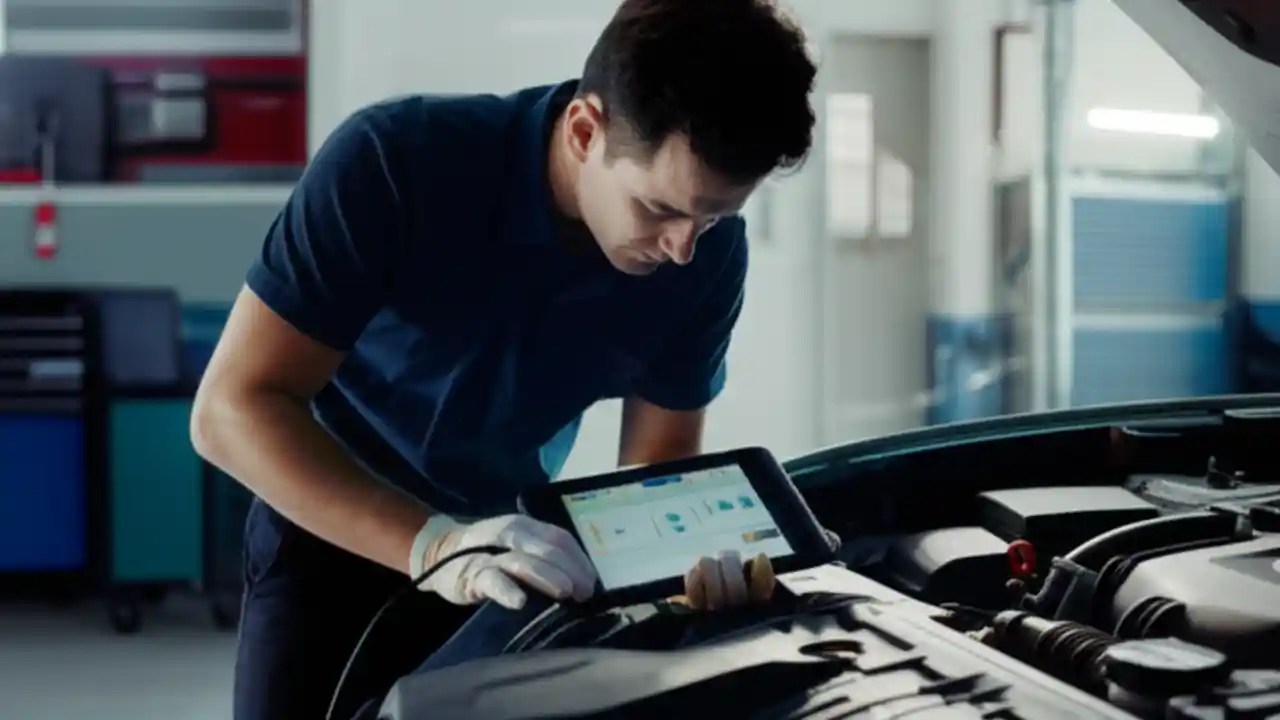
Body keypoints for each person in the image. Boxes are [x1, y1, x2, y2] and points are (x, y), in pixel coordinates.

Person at [190, 0, 816, 718]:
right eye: (660, 210)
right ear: (586, 130)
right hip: (326, 521)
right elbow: (232, 408)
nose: (683, 248)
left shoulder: (705, 259)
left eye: (713, 217)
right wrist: (432, 547)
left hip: (513, 554)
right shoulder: (394, 162)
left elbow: (657, 473)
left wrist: (688, 568)